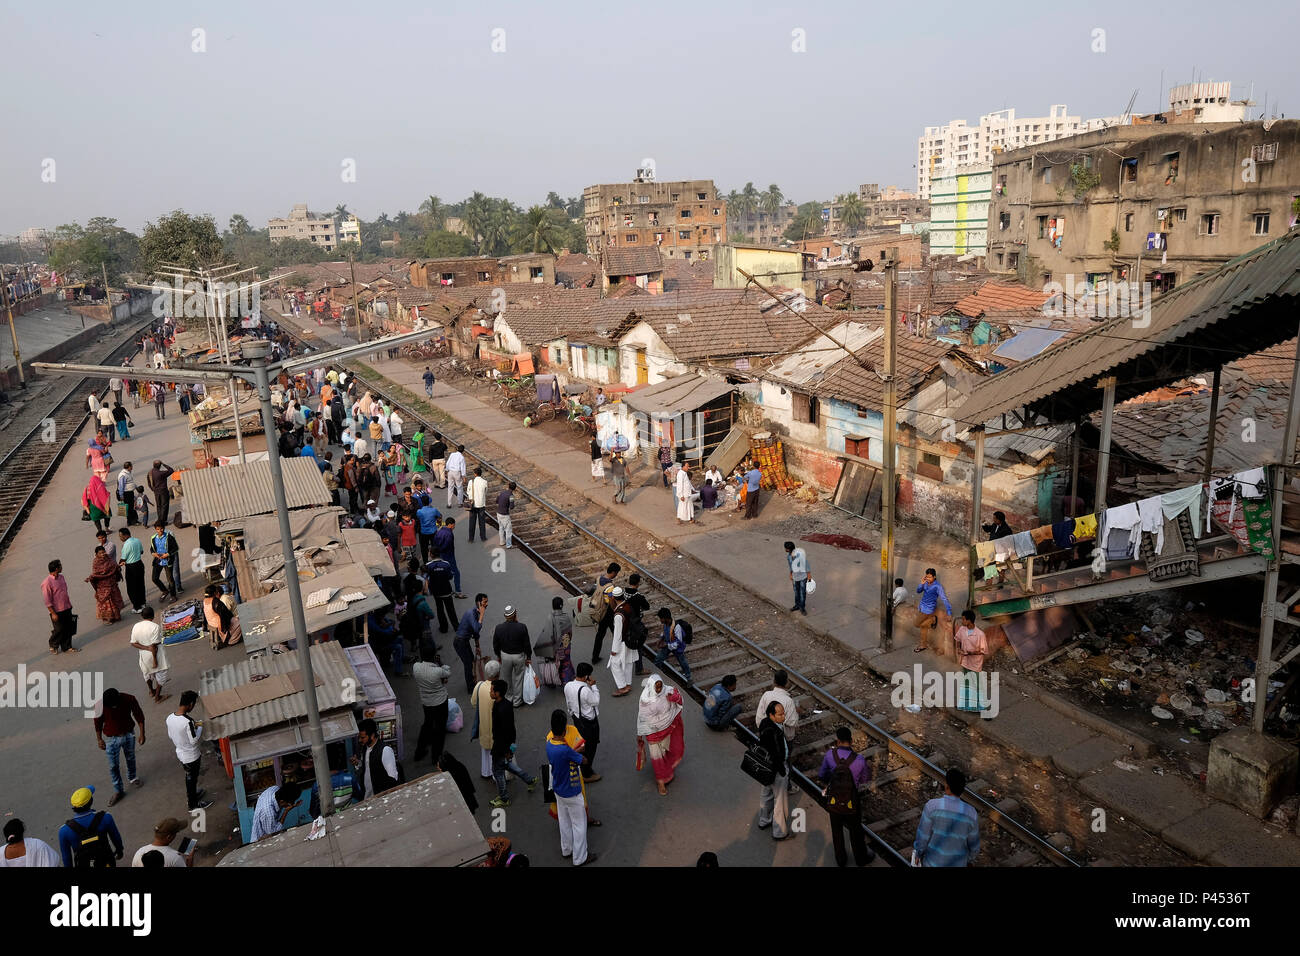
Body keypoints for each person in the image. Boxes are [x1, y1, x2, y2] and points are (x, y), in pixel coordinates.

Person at [818, 727, 874, 867]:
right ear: (851, 741)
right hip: (852, 801)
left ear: (838, 741)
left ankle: (841, 859)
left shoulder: (830, 755)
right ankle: (861, 859)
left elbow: (822, 775)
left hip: (834, 799)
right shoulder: (860, 760)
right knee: (856, 830)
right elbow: (865, 779)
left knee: (837, 830)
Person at [547, 709, 596, 866]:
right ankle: (580, 857)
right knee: (579, 824)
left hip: (558, 790)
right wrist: (578, 753)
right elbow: (584, 761)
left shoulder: (549, 744)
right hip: (572, 791)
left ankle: (566, 849)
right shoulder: (565, 749)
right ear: (564, 728)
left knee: (564, 821)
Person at [913, 767, 980, 867]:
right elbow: (974, 846)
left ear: (947, 787)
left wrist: (918, 853)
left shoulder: (932, 807)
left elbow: (923, 837)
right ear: (962, 790)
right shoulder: (971, 813)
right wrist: (968, 860)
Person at [489, 679, 537, 807]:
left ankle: (504, 798)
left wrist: (507, 751)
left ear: (498, 693)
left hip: (500, 747)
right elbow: (511, 728)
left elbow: (503, 732)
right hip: (505, 745)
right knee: (508, 766)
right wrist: (511, 747)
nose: (490, 692)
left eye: (492, 690)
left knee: (498, 772)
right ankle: (530, 780)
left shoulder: (499, 708)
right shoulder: (506, 704)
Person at [93, 688, 145, 805]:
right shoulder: (99, 705)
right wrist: (99, 739)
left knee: (130, 758)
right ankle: (118, 790)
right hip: (111, 739)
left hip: (128, 733)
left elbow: (139, 715)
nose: (112, 708)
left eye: (113, 705)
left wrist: (142, 733)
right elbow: (97, 723)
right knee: (113, 766)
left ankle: (132, 777)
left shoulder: (129, 698)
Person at [636, 676, 685, 796]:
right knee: (657, 757)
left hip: (670, 727)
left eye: (660, 686)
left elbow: (680, 701)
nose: (659, 689)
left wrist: (675, 698)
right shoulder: (645, 700)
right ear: (651, 687)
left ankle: (667, 770)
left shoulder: (668, 690)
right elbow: (644, 719)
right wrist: (641, 733)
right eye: (656, 686)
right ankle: (661, 781)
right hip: (653, 732)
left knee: (674, 749)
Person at [167, 690, 212, 811]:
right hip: (191, 755)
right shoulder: (188, 722)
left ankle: (192, 796)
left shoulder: (170, 718)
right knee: (192, 778)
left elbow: (171, 735)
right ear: (190, 704)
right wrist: (200, 727)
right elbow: (194, 740)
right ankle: (193, 805)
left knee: (189, 777)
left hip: (180, 753)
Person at [59, 786, 124, 867]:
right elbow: (116, 838)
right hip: (106, 862)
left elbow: (66, 858)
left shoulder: (64, 830)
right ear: (91, 801)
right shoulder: (105, 817)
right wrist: (119, 851)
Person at [757, 700, 791, 839]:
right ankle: (780, 832)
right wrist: (782, 770)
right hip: (777, 768)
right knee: (780, 800)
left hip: (765, 767)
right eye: (780, 714)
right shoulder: (775, 731)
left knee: (766, 794)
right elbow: (776, 753)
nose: (783, 716)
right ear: (771, 714)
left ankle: (764, 820)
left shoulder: (765, 723)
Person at [564, 662, 602, 781]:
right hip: (589, 722)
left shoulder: (568, 686)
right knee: (590, 748)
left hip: (577, 719)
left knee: (581, 744)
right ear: (586, 676)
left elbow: (568, 703)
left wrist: (572, 713)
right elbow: (596, 701)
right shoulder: (585, 690)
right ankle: (586, 773)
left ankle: (584, 769)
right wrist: (594, 686)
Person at [412, 655, 452, 766]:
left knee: (427, 724)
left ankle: (419, 751)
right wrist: (441, 662)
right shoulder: (438, 671)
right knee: (440, 729)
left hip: (426, 702)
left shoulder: (416, 667)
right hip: (440, 702)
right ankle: (436, 757)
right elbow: (447, 671)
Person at [492, 604, 532, 707]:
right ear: (515, 614)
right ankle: (517, 701)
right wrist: (528, 657)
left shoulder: (499, 628)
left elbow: (495, 644)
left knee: (506, 678)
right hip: (519, 656)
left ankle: (508, 698)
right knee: (519, 678)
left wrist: (498, 656)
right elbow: (527, 644)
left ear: (505, 616)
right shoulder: (522, 627)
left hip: (505, 656)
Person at [353, 718, 400, 799]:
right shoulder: (365, 748)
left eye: (363, 737)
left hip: (379, 798)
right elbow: (368, 765)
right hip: (367, 796)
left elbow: (393, 777)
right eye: (359, 737)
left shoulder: (385, 750)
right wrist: (358, 763)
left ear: (372, 735)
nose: (360, 740)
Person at [131, 607, 170, 703]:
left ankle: (151, 691)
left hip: (143, 654)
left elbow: (133, 643)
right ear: (153, 616)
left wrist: (145, 648)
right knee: (161, 675)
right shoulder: (155, 627)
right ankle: (158, 697)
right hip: (155, 655)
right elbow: (154, 647)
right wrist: (155, 660)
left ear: (142, 616)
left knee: (147, 673)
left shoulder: (136, 626)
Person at [954, 610, 990, 712]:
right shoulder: (962, 629)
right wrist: (958, 649)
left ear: (969, 620)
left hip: (975, 664)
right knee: (966, 683)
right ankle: (965, 705)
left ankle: (981, 706)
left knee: (976, 684)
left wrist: (971, 653)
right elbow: (957, 639)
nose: (962, 621)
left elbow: (983, 651)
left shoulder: (980, 634)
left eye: (964, 619)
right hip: (965, 662)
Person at [470, 659, 501, 778]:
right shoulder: (498, 691)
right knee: (496, 754)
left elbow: (473, 703)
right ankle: (496, 775)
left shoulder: (479, 686)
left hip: (483, 727)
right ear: (498, 674)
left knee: (486, 751)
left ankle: (486, 772)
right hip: (496, 729)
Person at [605, 588, 637, 696]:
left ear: (613, 597)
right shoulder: (628, 606)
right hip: (630, 639)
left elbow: (617, 634)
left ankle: (622, 687)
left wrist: (614, 650)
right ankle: (628, 684)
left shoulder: (618, 614)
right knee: (628, 662)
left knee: (614, 663)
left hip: (622, 642)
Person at [455, 592, 488, 692]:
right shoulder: (471, 613)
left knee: (471, 661)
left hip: (464, 641)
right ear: (479, 603)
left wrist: (477, 646)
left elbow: (475, 633)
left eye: (487, 602)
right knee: (468, 663)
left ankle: (473, 680)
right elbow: (476, 629)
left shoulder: (476, 613)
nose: (486, 604)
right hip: (460, 642)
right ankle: (470, 688)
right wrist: (482, 615)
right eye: (484, 602)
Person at [914, 568, 953, 654]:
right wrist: (921, 584)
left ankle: (932, 620)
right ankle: (923, 645)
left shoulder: (938, 586)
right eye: (927, 577)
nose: (928, 579)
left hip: (928, 609)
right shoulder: (925, 583)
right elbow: (918, 591)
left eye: (930, 577)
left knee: (916, 624)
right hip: (922, 607)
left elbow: (944, 598)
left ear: (934, 577)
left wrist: (949, 612)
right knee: (923, 627)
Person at [756, 670, 800, 745]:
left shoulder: (766, 695)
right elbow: (793, 722)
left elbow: (759, 716)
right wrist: (797, 712)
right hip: (783, 738)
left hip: (766, 732)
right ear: (786, 682)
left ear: (774, 682)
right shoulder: (788, 701)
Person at [43, 559, 77, 654]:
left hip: (66, 606)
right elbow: (47, 600)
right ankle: (53, 644)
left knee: (68, 627)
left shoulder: (61, 577)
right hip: (57, 610)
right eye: (60, 566)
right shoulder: (47, 582)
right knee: (59, 629)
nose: (62, 567)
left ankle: (66, 647)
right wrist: (53, 613)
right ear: (56, 568)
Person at [589, 562, 621, 663]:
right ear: (613, 572)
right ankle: (620, 656)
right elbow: (610, 601)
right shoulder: (610, 586)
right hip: (607, 613)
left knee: (600, 635)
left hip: (598, 609)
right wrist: (616, 610)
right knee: (617, 634)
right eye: (617, 573)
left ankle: (595, 657)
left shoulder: (599, 578)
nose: (617, 575)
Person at [86, 545, 124, 624]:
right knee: (106, 603)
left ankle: (116, 616)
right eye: (100, 553)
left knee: (114, 601)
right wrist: (91, 577)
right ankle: (108, 619)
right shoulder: (96, 562)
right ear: (96, 554)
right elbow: (96, 573)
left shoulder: (108, 558)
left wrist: (118, 567)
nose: (103, 554)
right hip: (103, 587)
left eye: (103, 552)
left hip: (112, 584)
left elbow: (114, 565)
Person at [652, 608, 692, 680]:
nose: (660, 620)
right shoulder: (666, 624)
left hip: (677, 647)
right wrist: (660, 639)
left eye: (661, 618)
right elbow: (664, 632)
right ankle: (658, 674)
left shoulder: (677, 627)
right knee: (658, 659)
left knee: (682, 662)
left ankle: (688, 677)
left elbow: (678, 642)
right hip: (668, 644)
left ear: (665, 618)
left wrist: (666, 645)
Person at [424, 550, 457, 634]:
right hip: (447, 590)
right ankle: (456, 626)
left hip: (436, 592)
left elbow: (426, 578)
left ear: (431, 554)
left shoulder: (428, 566)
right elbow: (450, 577)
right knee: (451, 609)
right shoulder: (446, 564)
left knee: (440, 609)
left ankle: (443, 628)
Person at [437, 750, 478, 815]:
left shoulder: (450, 776)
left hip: (462, 801)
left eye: (439, 767)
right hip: (468, 797)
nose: (438, 768)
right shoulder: (459, 766)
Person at [534, 594, 570, 663]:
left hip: (555, 645)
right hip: (565, 643)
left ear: (552, 606)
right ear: (561, 606)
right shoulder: (566, 616)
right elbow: (569, 631)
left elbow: (548, 633)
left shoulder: (550, 617)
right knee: (564, 661)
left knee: (556, 662)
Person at [151, 521, 181, 601]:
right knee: (154, 578)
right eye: (158, 529)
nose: (160, 531)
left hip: (167, 561)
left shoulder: (169, 537)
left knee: (170, 579)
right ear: (155, 529)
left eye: (161, 529)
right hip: (158, 560)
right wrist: (154, 554)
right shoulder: (153, 538)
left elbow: (176, 548)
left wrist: (167, 554)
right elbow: (152, 549)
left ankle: (173, 595)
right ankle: (164, 591)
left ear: (164, 528)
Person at [785, 540, 809, 615]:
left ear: (789, 549)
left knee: (802, 593)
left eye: (786, 548)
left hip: (802, 577)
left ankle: (802, 608)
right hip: (795, 577)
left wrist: (808, 575)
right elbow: (790, 567)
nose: (785, 549)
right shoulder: (788, 556)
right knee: (796, 592)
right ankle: (797, 605)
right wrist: (791, 574)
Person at [416, 496, 442, 563]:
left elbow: (418, 518)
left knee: (424, 548)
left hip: (423, 532)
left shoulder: (419, 511)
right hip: (433, 531)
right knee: (434, 546)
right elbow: (440, 516)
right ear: (429, 502)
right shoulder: (434, 510)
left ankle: (425, 562)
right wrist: (438, 521)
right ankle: (436, 560)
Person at [148, 460, 175, 527]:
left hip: (156, 492)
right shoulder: (161, 473)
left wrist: (153, 489)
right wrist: (164, 464)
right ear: (160, 466)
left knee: (159, 506)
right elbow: (171, 470)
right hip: (163, 491)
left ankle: (159, 519)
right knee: (164, 505)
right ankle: (163, 521)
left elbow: (149, 483)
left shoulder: (150, 473)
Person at [117, 461, 138, 526]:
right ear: (129, 467)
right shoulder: (123, 475)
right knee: (130, 508)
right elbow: (121, 486)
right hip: (127, 493)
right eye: (131, 466)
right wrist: (121, 495)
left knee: (130, 507)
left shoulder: (128, 473)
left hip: (130, 492)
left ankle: (130, 521)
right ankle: (133, 521)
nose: (132, 467)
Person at [496, 481, 516, 548]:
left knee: (501, 528)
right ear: (514, 489)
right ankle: (508, 545)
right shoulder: (511, 496)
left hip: (498, 513)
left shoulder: (502, 492)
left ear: (508, 486)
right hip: (505, 514)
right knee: (508, 530)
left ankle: (502, 542)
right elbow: (511, 507)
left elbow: (497, 501)